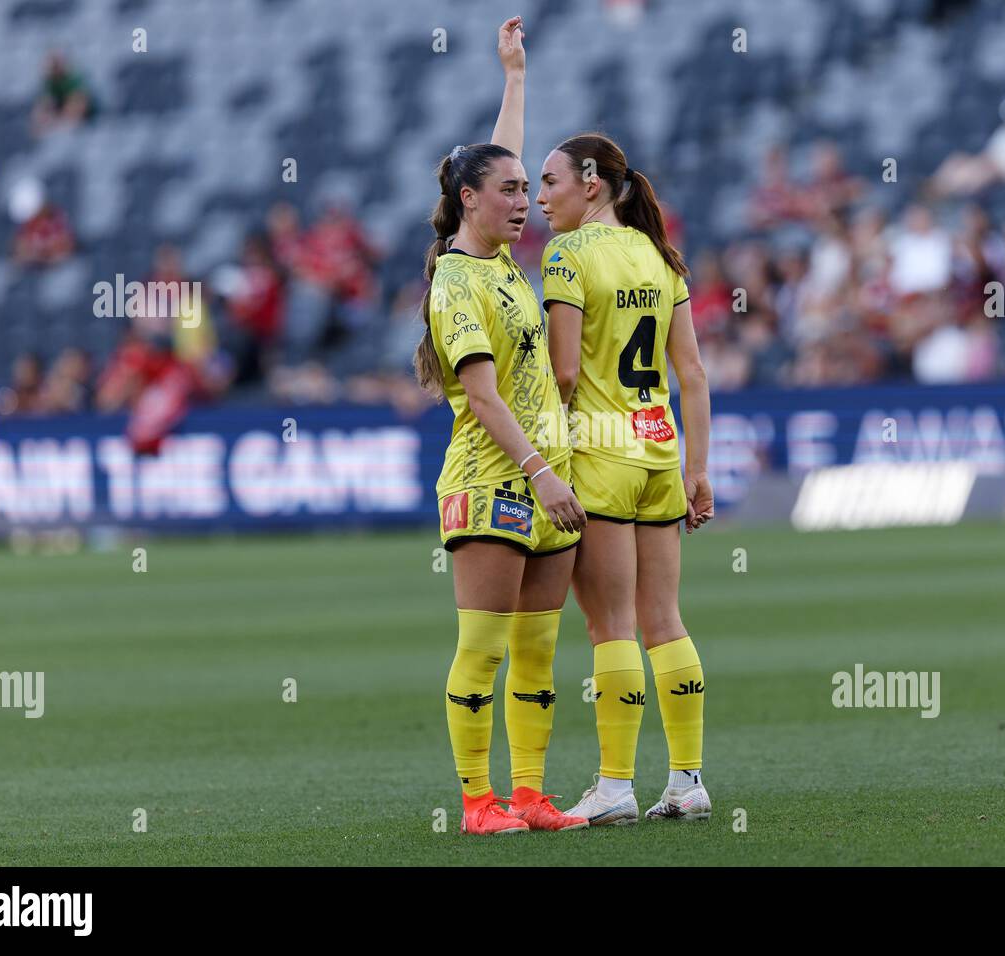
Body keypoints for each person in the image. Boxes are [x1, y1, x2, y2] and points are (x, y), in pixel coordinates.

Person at [416, 17, 588, 836]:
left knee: (538, 655)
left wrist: (514, 77)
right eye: (511, 192)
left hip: (542, 477)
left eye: (530, 189)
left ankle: (529, 795)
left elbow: (490, 158)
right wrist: (544, 472)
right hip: (496, 480)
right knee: (482, 650)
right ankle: (477, 802)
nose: (526, 201)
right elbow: (482, 396)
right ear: (468, 203)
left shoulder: (497, 259)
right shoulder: (458, 281)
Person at [537, 132, 714, 823]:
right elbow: (692, 374)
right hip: (659, 447)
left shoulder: (569, 255)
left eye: (548, 181)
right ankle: (688, 780)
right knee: (664, 621)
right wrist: (698, 471)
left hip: (600, 454)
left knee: (610, 626)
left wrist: (542, 458)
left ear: (590, 183)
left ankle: (614, 787)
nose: (539, 198)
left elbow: (564, 372)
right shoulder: (659, 256)